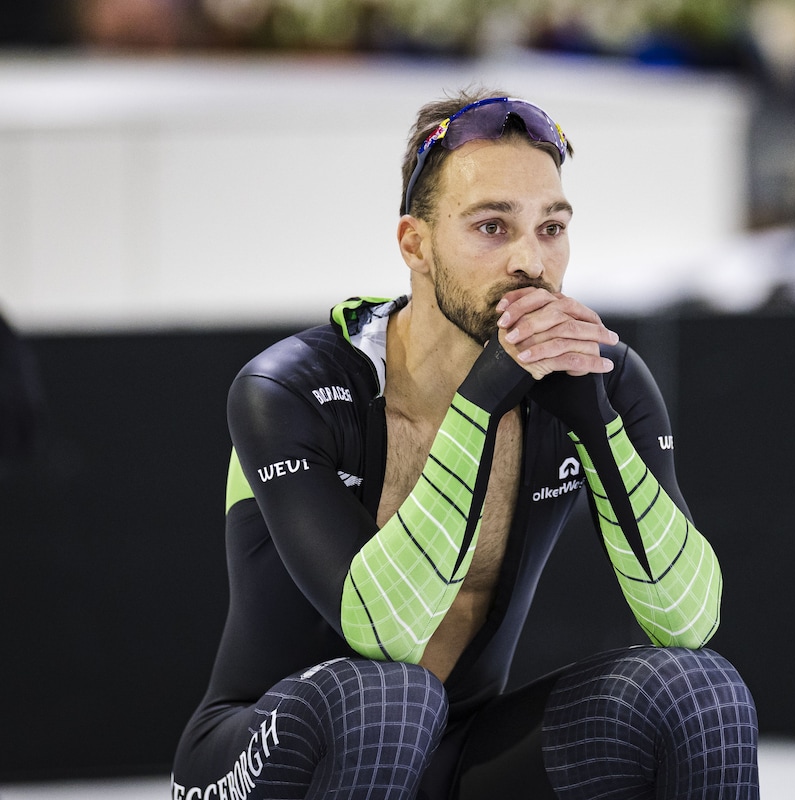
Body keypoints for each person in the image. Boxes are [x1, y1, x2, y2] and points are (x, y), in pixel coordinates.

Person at [171, 89, 760, 799]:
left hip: (453, 754)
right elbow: (383, 633)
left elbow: (690, 620)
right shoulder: (288, 390)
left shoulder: (599, 376)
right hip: (261, 759)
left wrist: (598, 426)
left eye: (551, 228)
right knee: (391, 698)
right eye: (491, 227)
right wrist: (479, 404)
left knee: (701, 692)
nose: (531, 263)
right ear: (413, 245)